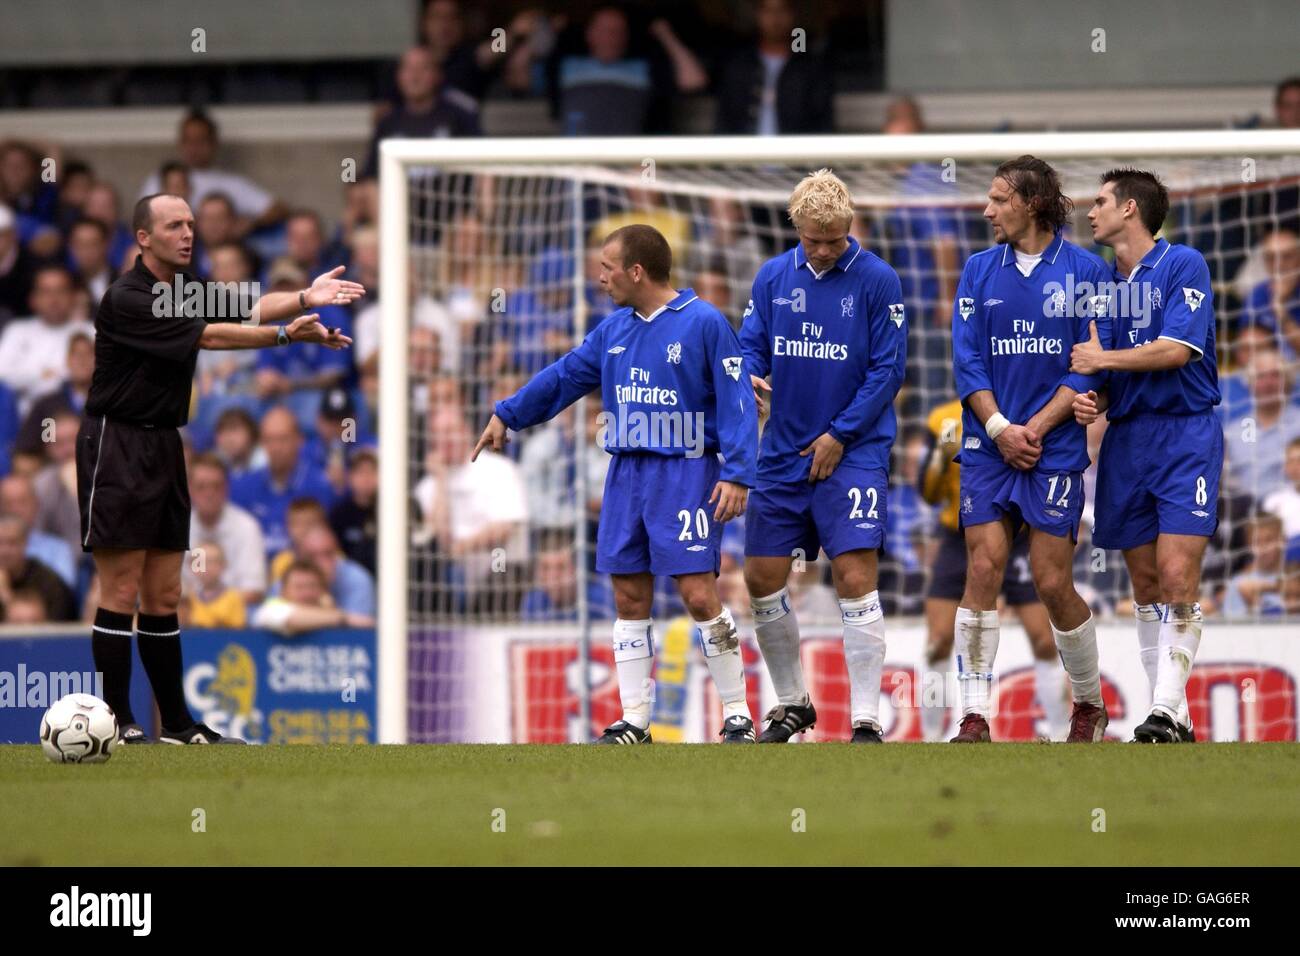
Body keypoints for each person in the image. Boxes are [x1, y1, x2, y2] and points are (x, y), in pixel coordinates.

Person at [77, 191, 359, 745]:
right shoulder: (129, 298)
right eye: (174, 225)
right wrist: (285, 335)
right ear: (144, 238)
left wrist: (305, 296)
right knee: (122, 585)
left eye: (190, 224)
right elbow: (209, 335)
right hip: (117, 442)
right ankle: (117, 719)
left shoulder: (181, 292)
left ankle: (179, 725)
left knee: (163, 594)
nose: (188, 233)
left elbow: (244, 306)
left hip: (163, 444)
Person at [475, 223, 758, 743]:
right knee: (628, 596)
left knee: (698, 593)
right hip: (627, 474)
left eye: (607, 267)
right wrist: (507, 414)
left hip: (687, 469)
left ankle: (737, 713)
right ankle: (635, 720)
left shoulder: (704, 323)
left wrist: (739, 472)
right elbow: (563, 377)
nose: (599, 277)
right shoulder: (613, 330)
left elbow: (738, 398)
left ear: (636, 270)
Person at [738, 168, 907, 744]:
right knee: (761, 578)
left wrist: (839, 435)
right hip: (782, 453)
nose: (826, 249)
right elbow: (750, 348)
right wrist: (750, 379)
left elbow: (889, 370)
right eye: (814, 239)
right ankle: (793, 703)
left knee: (855, 575)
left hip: (853, 452)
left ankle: (865, 718)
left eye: (836, 238)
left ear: (850, 226)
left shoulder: (878, 280)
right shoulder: (771, 277)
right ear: (797, 229)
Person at [950, 156, 1113, 744]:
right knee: (983, 567)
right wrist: (1000, 430)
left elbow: (1090, 364)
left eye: (998, 199)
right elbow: (965, 362)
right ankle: (973, 715)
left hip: (1054, 448)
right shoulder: (976, 271)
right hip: (989, 447)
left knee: (1050, 582)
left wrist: (1036, 428)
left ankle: (1089, 705)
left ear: (1032, 204)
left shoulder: (1089, 273)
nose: (987, 209)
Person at [1071, 167, 1222, 743]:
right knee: (1144, 580)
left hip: (1185, 434)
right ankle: (1174, 716)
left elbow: (1177, 351)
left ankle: (1161, 708)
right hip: (1128, 438)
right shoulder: (1104, 286)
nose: (1091, 212)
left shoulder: (1183, 264)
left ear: (1130, 209)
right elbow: (1107, 375)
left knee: (1178, 571)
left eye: (1101, 202)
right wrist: (1095, 402)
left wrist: (1102, 364)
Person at [917, 399, 1069, 741]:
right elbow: (927, 494)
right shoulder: (942, 418)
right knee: (938, 641)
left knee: (1044, 639)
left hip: (1017, 532)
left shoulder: (1026, 408)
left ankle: (1060, 730)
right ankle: (929, 736)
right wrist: (942, 457)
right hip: (959, 535)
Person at [713, 0, 834, 136]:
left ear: (793, 15)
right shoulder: (739, 66)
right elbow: (724, 124)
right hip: (745, 155)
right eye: (768, 11)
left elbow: (822, 127)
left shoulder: (809, 68)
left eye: (782, 10)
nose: (775, 18)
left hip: (796, 154)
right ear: (757, 14)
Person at [0, 265, 95, 414]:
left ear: (73, 296)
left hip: (82, 414)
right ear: (33, 299)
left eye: (60, 291)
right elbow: (3, 373)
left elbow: (102, 373)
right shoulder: (17, 331)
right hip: (30, 417)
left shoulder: (90, 331)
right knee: (48, 431)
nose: (53, 299)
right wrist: (44, 374)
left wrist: (44, 376)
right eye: (46, 292)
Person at [186, 452, 268, 606]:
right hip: (188, 615)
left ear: (226, 488)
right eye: (201, 487)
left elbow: (254, 590)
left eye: (216, 486)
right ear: (189, 488)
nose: (209, 493)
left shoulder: (246, 526)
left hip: (235, 616)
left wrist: (213, 608)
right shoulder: (177, 527)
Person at [251, 559, 373, 636]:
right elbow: (291, 619)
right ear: (283, 592)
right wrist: (343, 618)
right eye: (299, 587)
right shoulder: (268, 610)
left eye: (312, 586)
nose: (306, 593)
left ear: (323, 590)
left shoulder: (331, 613)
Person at [0, 515, 77, 622]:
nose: (4, 551)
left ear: (25, 544)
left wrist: (7, 598)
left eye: (12, 543)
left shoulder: (49, 583)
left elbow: (60, 631)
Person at [180, 540, 247, 629]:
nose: (207, 567)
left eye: (212, 562)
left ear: (223, 565)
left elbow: (238, 629)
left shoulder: (233, 597)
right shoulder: (188, 599)